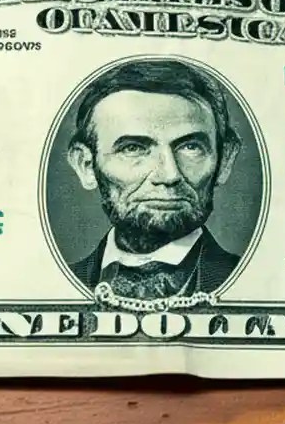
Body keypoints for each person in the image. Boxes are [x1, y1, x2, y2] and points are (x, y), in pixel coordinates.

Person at [65, 58, 242, 301]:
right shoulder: (50, 286)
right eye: (133, 149)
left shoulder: (257, 280)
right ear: (85, 165)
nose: (169, 175)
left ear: (224, 160)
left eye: (191, 147)